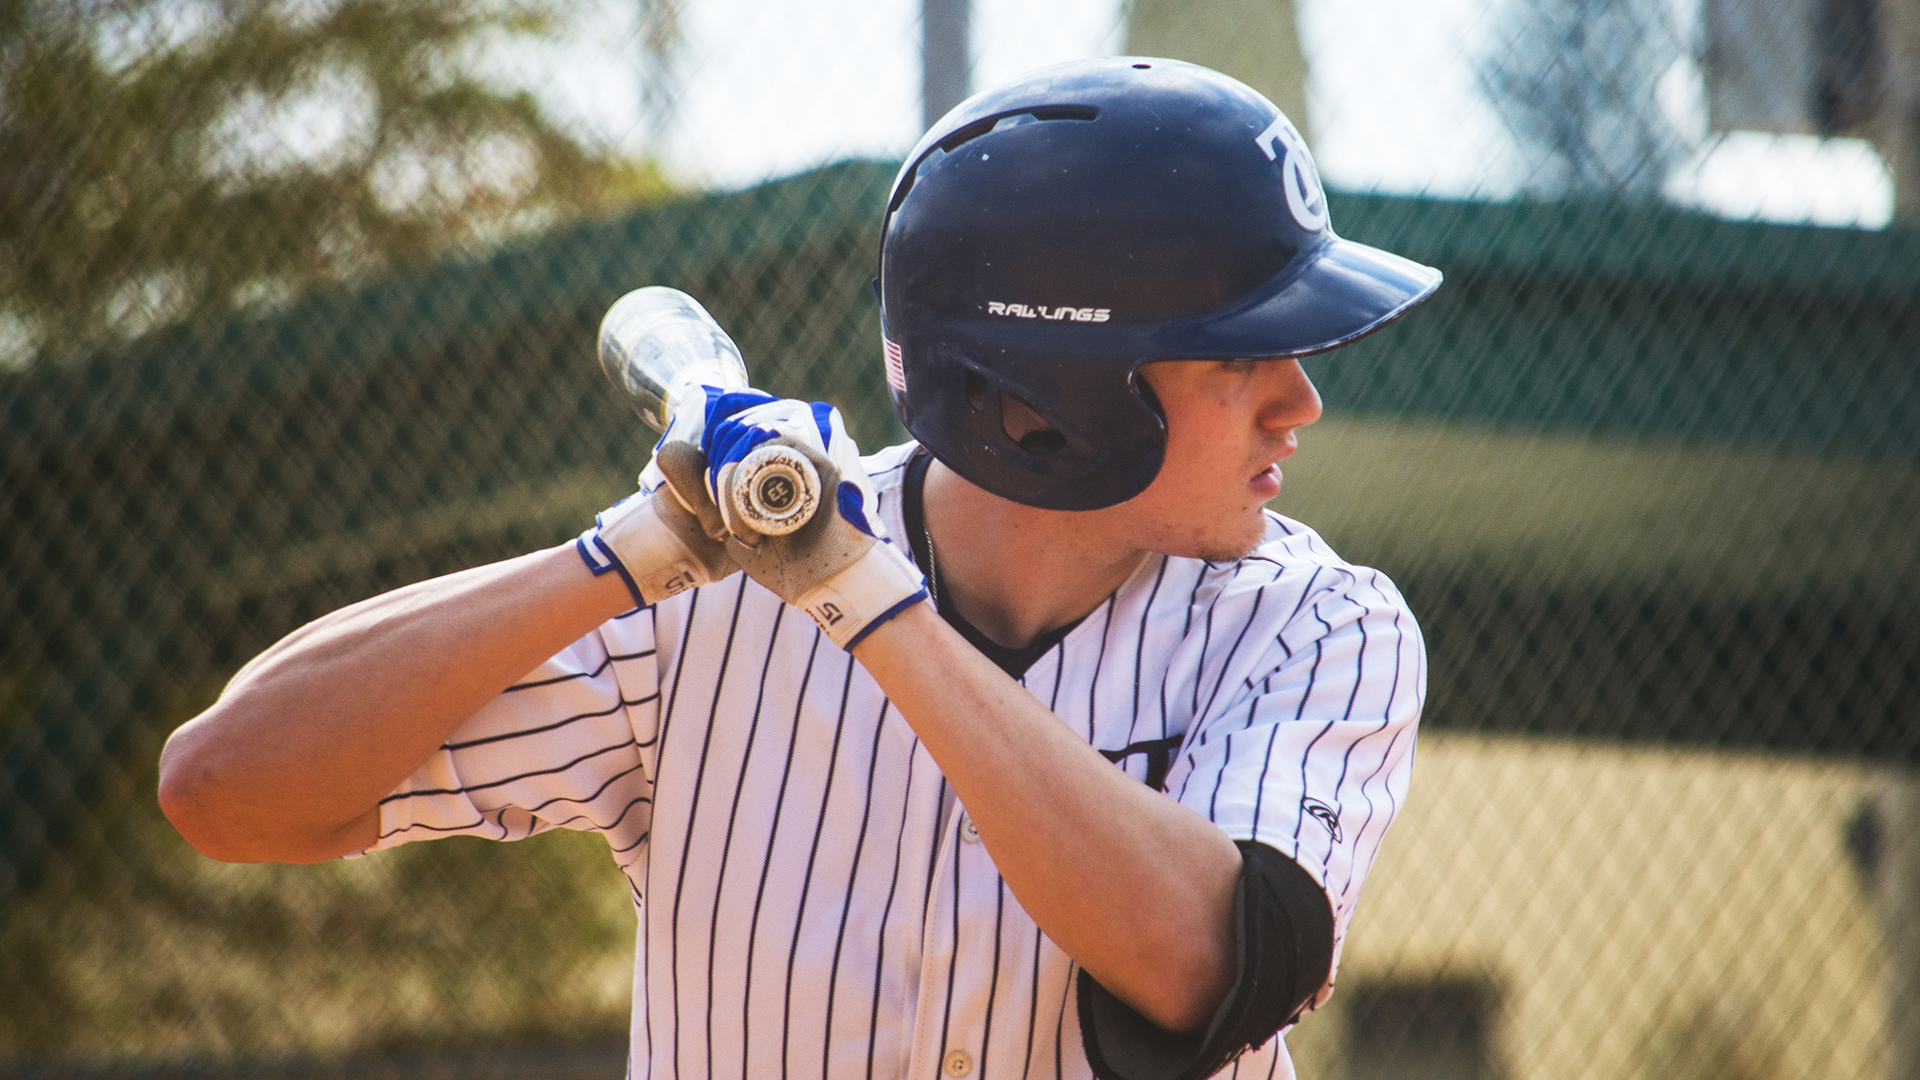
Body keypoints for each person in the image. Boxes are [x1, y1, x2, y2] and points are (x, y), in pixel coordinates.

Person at [159, 57, 1438, 1080]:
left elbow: (1213, 967)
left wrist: (862, 599)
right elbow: (225, 791)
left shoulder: (1318, 625)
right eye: (1238, 358)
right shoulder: (706, 597)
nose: (1300, 402)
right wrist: (628, 554)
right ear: (1054, 401)